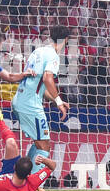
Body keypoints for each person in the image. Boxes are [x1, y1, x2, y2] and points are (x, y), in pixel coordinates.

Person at [6, 25, 70, 168]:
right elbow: (48, 79)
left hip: (22, 99)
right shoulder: (53, 55)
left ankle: (24, 177)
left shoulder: (38, 51)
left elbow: (39, 86)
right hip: (30, 104)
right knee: (44, 145)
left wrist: (55, 99)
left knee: (40, 143)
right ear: (65, 40)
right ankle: (34, 185)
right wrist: (59, 101)